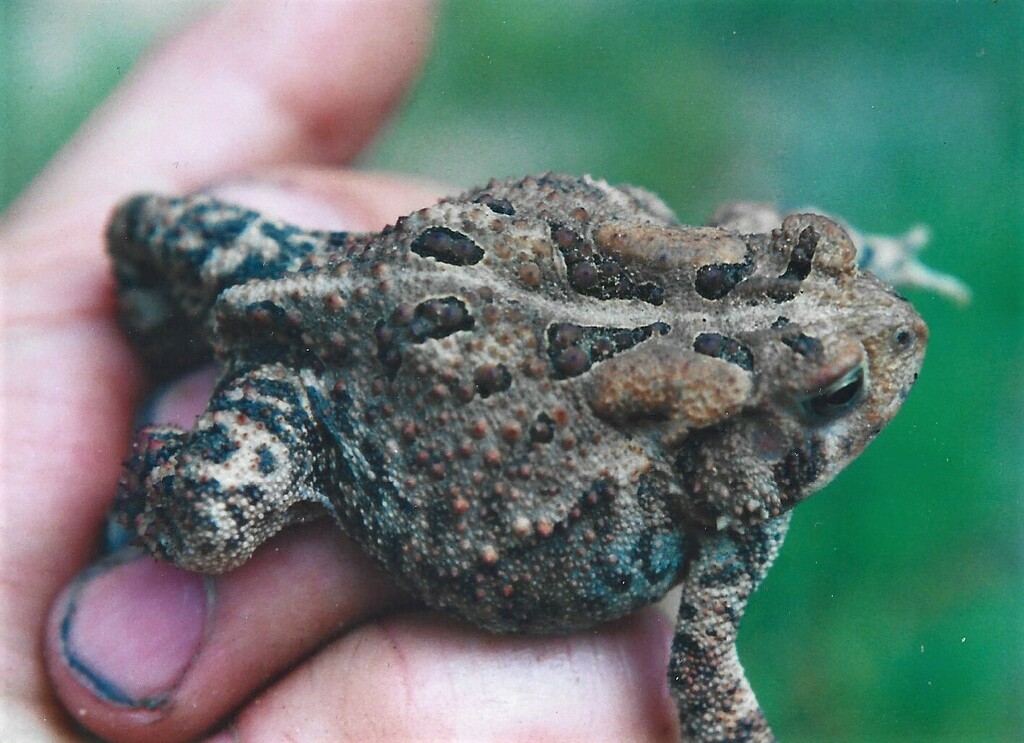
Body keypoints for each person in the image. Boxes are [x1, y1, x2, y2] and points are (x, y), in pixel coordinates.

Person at [1, 3, 678, 740]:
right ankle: (163, 469)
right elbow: (138, 228)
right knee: (205, 516)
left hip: (361, 324)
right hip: (329, 320)